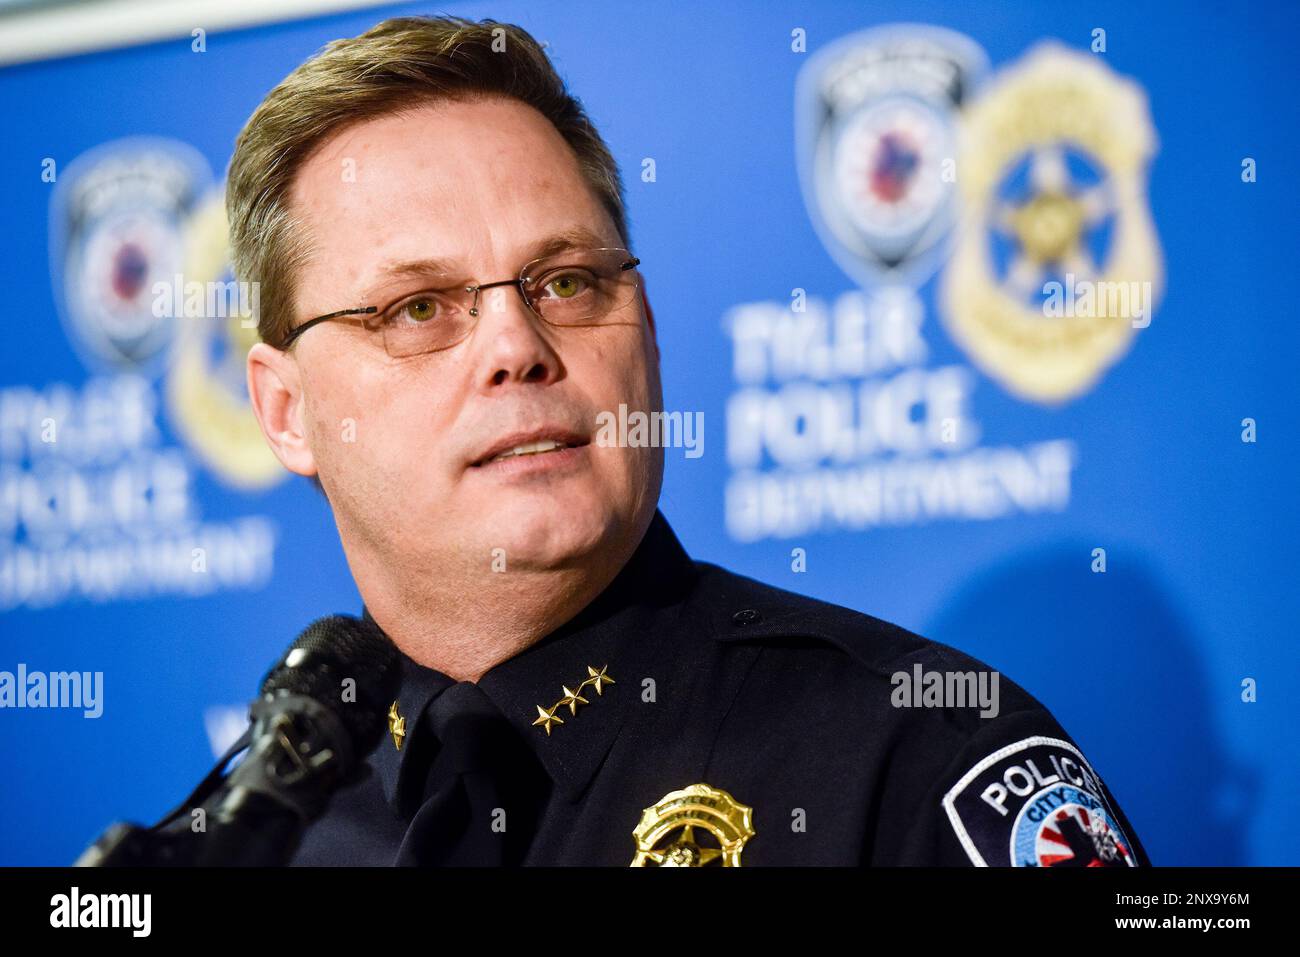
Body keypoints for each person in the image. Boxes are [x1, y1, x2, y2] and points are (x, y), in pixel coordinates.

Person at [233, 15, 1149, 867]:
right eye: (419, 308)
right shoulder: (252, 838)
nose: (518, 347)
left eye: (565, 284)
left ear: (648, 325)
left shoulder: (920, 764)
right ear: (287, 411)